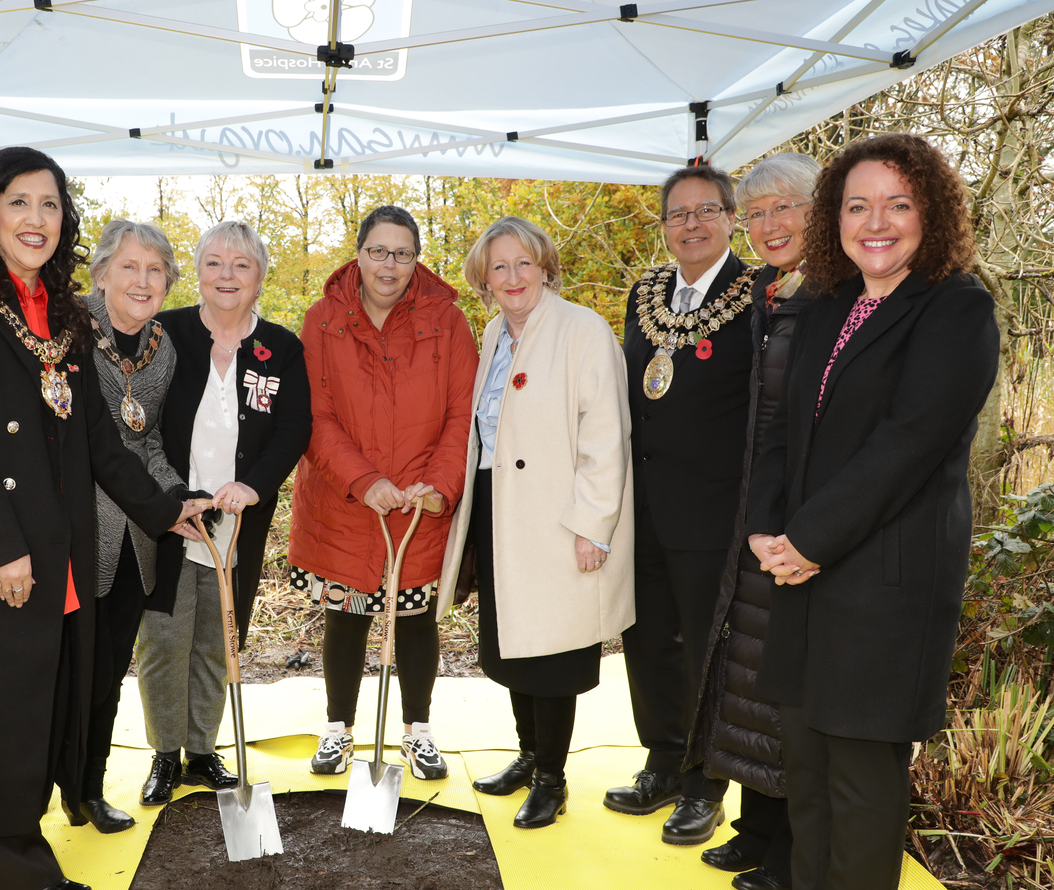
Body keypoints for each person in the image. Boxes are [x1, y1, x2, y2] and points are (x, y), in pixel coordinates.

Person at [0, 148, 208, 890]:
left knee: (17, 697)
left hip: (53, 544)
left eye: (50, 206)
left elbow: (99, 439)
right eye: (19, 203)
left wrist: (168, 509)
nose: (37, 220)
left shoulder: (58, 311)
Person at [737, 134, 998, 890]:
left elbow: (910, 445)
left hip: (885, 571)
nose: (874, 222)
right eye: (856, 205)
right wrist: (769, 527)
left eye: (897, 204)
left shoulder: (955, 309)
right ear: (834, 218)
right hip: (807, 558)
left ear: (932, 212)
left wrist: (809, 540)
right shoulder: (829, 301)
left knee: (860, 756)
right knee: (808, 746)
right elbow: (783, 428)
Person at [443, 216, 634, 829]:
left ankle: (552, 778)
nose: (512, 276)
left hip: (558, 514)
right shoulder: (495, 332)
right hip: (500, 508)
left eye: (523, 263)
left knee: (553, 655)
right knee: (512, 645)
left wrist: (593, 525)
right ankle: (527, 755)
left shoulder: (583, 330)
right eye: (499, 267)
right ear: (484, 280)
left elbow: (608, 436)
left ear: (545, 267)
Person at [288, 205, 478, 778]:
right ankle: (338, 730)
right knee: (345, 619)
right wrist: (364, 482)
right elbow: (314, 415)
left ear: (416, 258)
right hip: (345, 500)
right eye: (378, 251)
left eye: (402, 253)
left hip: (420, 503)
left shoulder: (449, 322)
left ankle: (417, 732)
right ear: (359, 253)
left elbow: (461, 414)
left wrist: (440, 486)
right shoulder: (322, 319)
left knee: (417, 621)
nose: (389, 264)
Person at [136, 220, 312, 805]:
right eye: (214, 263)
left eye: (241, 264)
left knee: (217, 637)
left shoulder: (281, 347)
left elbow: (293, 430)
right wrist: (170, 494)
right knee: (164, 637)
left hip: (238, 522)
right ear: (199, 272)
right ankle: (164, 754)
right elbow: (142, 421)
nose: (227, 275)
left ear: (260, 274)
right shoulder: (165, 332)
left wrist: (254, 485)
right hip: (169, 515)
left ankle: (202, 751)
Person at [611, 164, 759, 846]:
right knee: (648, 639)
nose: (691, 224)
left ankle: (705, 783)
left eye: (706, 211)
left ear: (732, 218)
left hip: (716, 508)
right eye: (678, 214)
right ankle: (664, 759)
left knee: (706, 648)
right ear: (664, 226)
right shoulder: (645, 294)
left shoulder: (759, 295)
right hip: (642, 503)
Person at [688, 153, 821, 890]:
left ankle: (790, 846)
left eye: (785, 208)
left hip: (797, 519)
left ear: (818, 208)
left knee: (780, 686)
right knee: (747, 676)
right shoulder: (770, 291)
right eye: (758, 212)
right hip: (756, 504)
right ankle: (758, 824)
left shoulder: (833, 295)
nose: (769, 225)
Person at [73, 220, 189, 833]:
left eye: (155, 270)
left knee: (110, 665)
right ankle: (36, 789)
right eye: (129, 267)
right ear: (101, 274)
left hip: (135, 535)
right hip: (71, 527)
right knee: (65, 669)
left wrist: (178, 498)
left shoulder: (162, 348)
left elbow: (146, 441)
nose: (143, 282)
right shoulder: (65, 329)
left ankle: (86, 790)